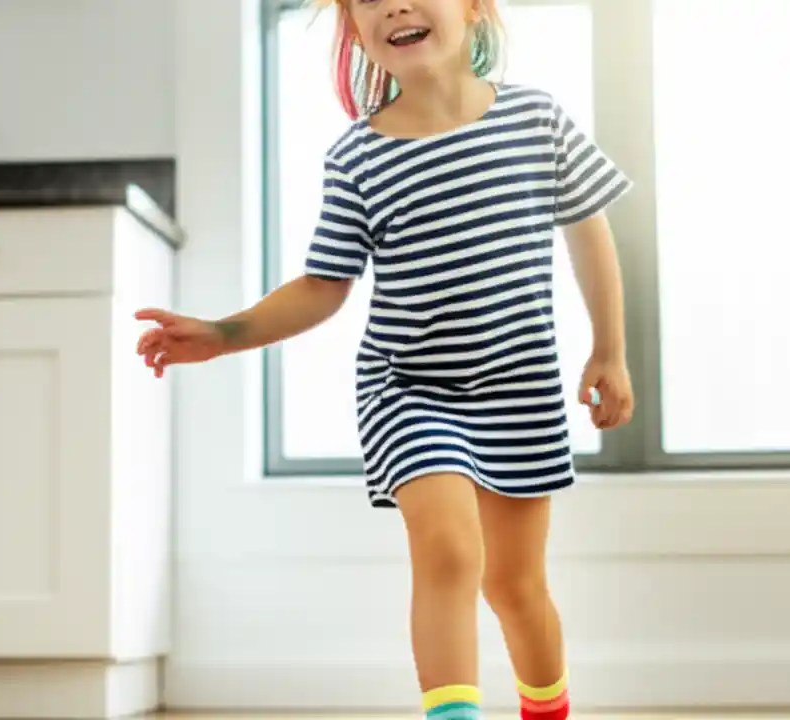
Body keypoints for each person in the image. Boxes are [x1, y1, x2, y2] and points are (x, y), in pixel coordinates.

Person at [134, 0, 633, 717]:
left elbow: (589, 229)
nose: (391, 4)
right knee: (450, 552)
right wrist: (223, 333)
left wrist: (608, 351)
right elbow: (323, 285)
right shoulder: (359, 155)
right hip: (410, 390)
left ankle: (547, 708)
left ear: (472, 7)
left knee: (515, 588)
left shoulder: (536, 118)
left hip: (520, 389)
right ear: (355, 29)